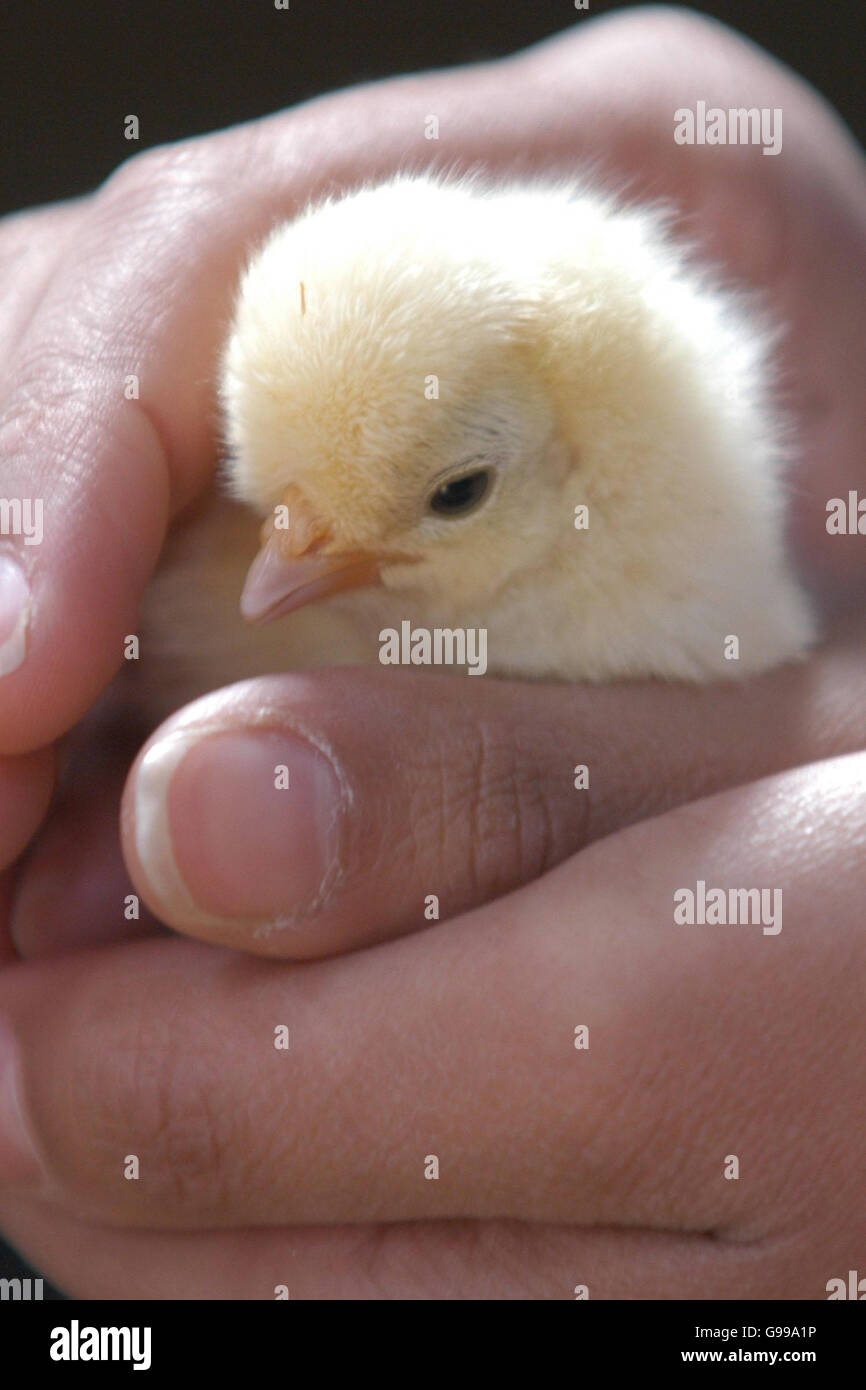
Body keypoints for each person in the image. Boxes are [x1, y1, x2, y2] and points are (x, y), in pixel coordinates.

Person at [1, 6, 865, 1299]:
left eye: (454, 489)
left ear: (591, 467)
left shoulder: (670, 536)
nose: (272, 563)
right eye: (267, 490)